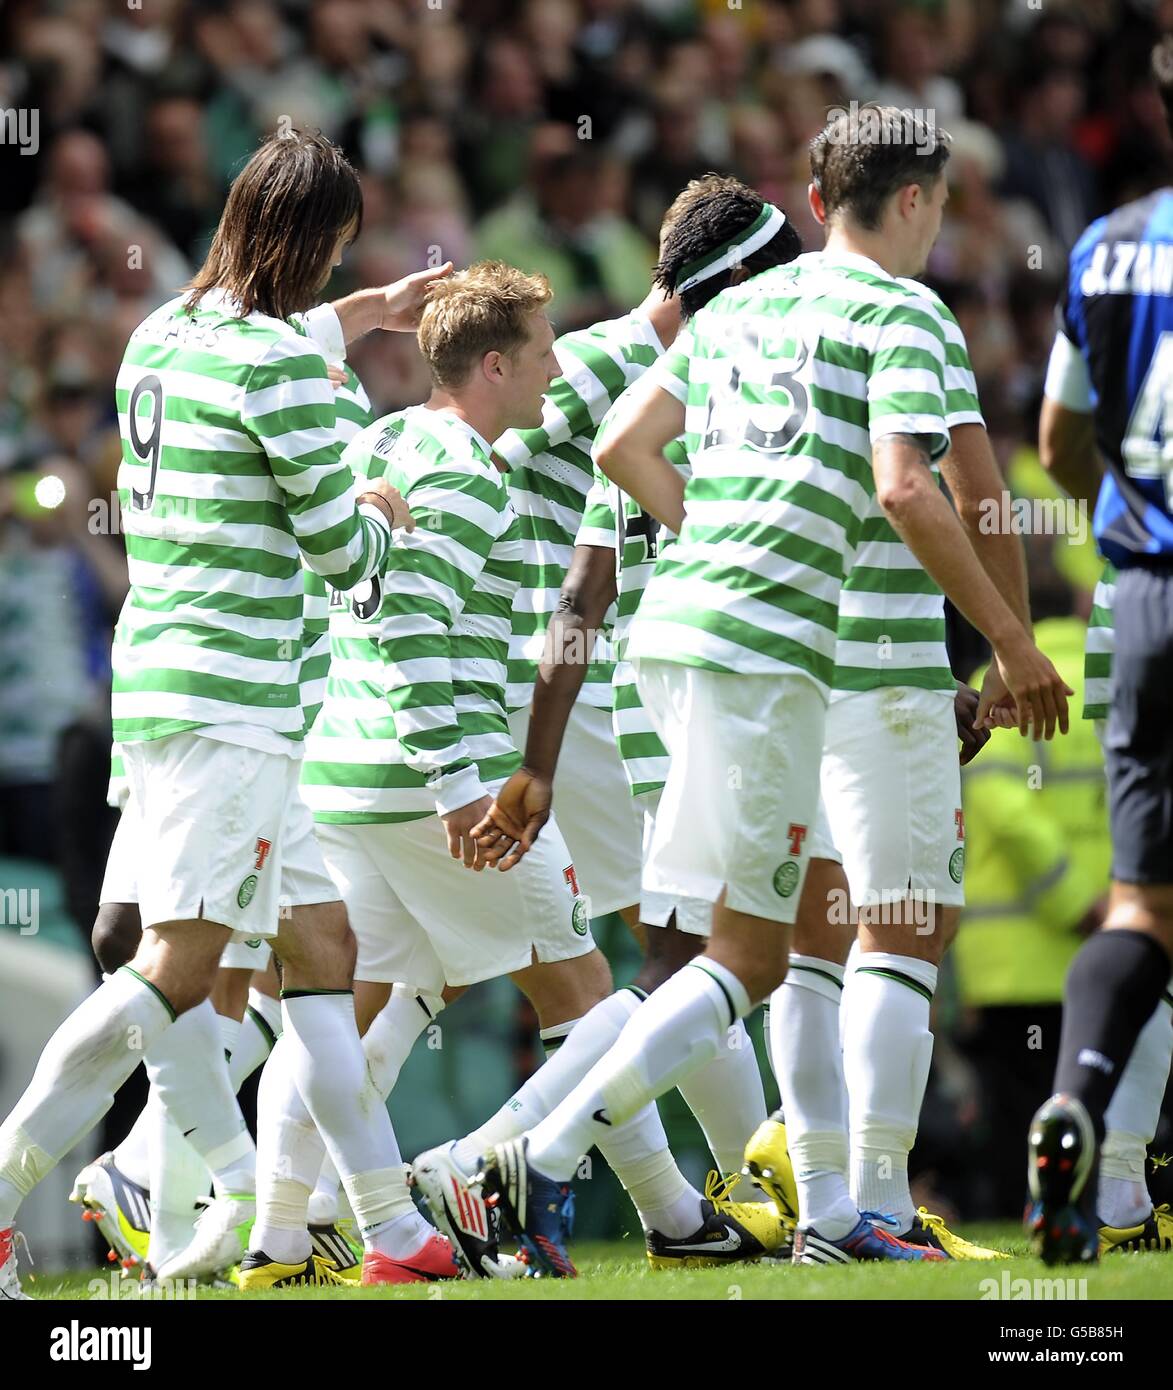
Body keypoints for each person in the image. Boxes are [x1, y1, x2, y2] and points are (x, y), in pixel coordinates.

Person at [462, 104, 1070, 1276]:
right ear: (910, 202)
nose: (943, 223)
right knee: (839, 943)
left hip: (691, 649)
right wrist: (1009, 640)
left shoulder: (740, 311)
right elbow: (927, 489)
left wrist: (714, 539)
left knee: (784, 946)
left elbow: (622, 445)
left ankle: (833, 1212)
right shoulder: (905, 313)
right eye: (939, 201)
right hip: (816, 655)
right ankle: (542, 1160)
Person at [0, 128, 446, 1301]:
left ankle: (378, 1228)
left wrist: (375, 307)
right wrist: (386, 509)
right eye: (340, 250)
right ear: (310, 242)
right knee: (177, 966)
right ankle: (19, 1190)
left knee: (321, 949)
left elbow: (284, 340)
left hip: (160, 682)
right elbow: (343, 550)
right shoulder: (288, 372)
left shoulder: (164, 334)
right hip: (239, 699)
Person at [1026, 36, 1173, 1265]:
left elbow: (1061, 436)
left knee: (1143, 903)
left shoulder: (1106, 242)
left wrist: (1116, 520)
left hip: (1142, 597)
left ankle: (1081, 1114)